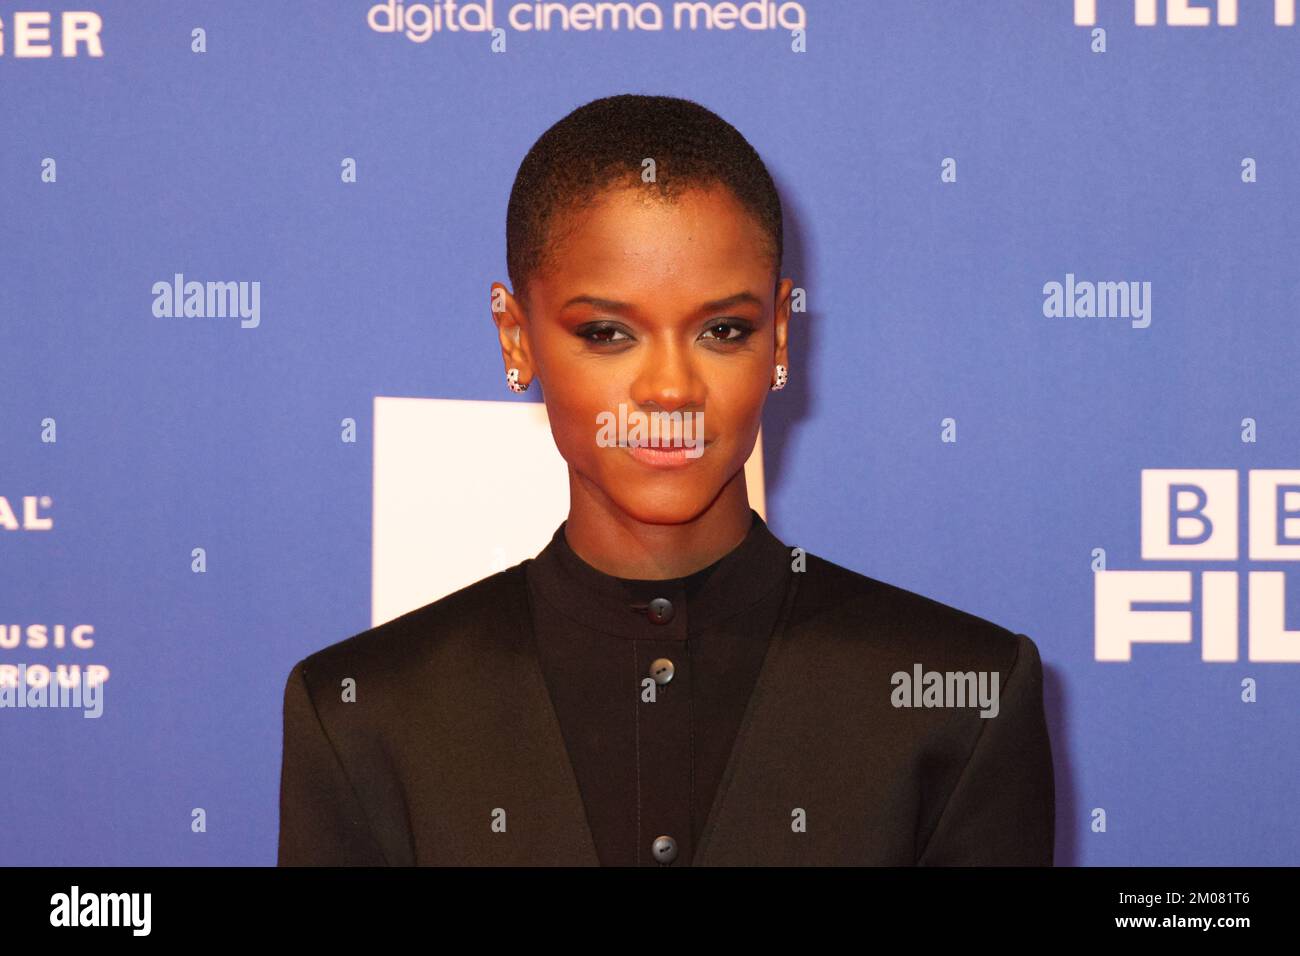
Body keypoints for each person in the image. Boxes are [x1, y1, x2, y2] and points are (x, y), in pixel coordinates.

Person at [277, 93, 1055, 867]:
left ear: (779, 336)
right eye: (607, 333)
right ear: (517, 338)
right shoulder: (362, 715)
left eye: (724, 330)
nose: (671, 390)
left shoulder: (962, 699)